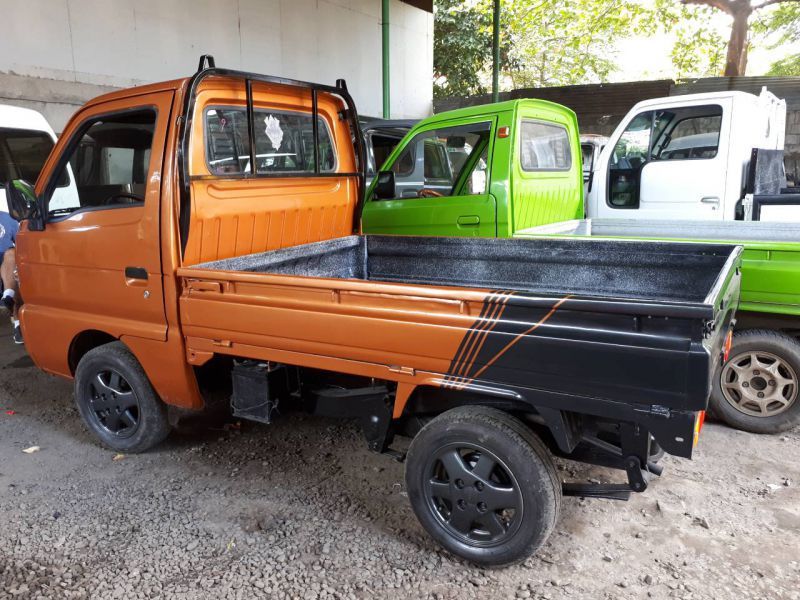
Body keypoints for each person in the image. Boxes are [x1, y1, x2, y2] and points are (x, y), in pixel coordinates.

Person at [0, 211, 22, 344]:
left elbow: (20, 243)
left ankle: (18, 324)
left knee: (12, 254)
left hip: (6, 259)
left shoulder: (8, 218)